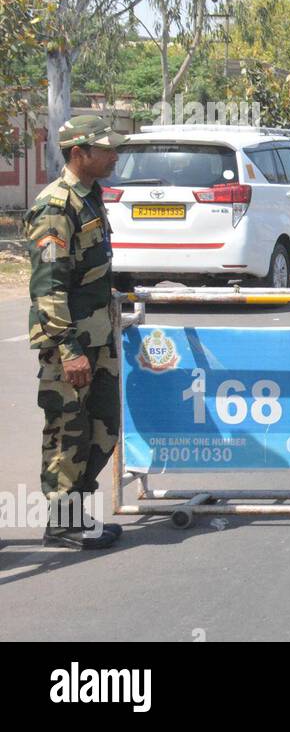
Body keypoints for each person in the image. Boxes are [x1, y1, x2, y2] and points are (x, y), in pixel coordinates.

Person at [26, 115, 125, 550]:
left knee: (103, 429)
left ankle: (78, 513)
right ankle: (62, 522)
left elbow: (88, 269)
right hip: (71, 343)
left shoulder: (91, 197)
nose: (113, 155)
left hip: (98, 337)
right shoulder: (55, 205)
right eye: (104, 149)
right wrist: (68, 349)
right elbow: (48, 287)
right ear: (77, 153)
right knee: (68, 432)